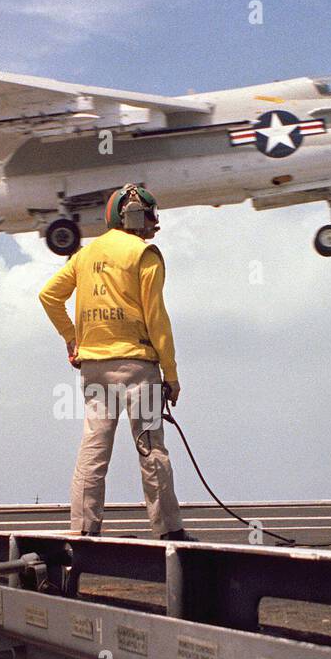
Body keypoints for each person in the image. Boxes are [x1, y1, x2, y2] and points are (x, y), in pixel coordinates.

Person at [38, 185, 196, 541]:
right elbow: (157, 319)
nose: (155, 224)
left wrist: (72, 338)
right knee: (151, 447)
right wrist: (170, 375)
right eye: (151, 215)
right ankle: (169, 531)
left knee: (94, 447)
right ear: (136, 215)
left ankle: (83, 528)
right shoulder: (145, 254)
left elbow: (48, 296)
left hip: (94, 368)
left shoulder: (84, 255)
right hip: (138, 367)